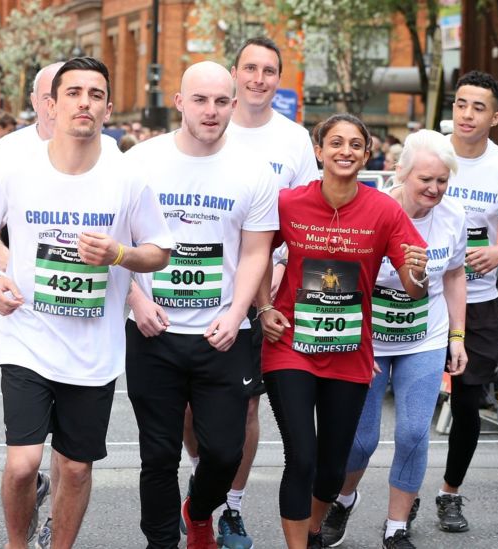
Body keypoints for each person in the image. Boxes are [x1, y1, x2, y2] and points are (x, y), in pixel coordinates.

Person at [0, 56, 172, 549]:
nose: (85, 102)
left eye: (96, 94)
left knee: (77, 468)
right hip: (27, 335)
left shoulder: (127, 177)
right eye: (74, 93)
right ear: (52, 105)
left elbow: (160, 251)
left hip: (92, 349)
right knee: (22, 465)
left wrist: (118, 254)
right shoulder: (18, 168)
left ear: (106, 109)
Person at [172, 37, 321, 549]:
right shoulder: (208, 123)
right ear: (232, 77)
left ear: (278, 78)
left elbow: (311, 212)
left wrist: (283, 266)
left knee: (248, 407)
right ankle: (204, 486)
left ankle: (230, 508)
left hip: (271, 288)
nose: (260, 78)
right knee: (193, 410)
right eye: (250, 69)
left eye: (270, 70)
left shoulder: (295, 139)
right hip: (203, 289)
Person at [256, 113, 428, 549]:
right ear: (319, 151)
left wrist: (417, 273)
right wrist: (262, 307)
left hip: (350, 351)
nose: (345, 151)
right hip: (291, 345)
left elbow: (413, 283)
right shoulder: (290, 203)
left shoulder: (384, 209)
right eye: (335, 143)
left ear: (367, 155)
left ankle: (313, 532)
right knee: (302, 455)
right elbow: (256, 252)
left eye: (355, 145)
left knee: (332, 467)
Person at [124, 61, 277, 549]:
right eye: (200, 100)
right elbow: (115, 242)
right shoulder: (140, 161)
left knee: (224, 451)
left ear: (233, 104)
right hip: (153, 330)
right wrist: (134, 300)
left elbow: (256, 251)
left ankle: (199, 507)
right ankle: (163, 541)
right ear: (179, 102)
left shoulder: (253, 171)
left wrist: (236, 315)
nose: (210, 111)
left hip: (223, 333)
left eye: (220, 101)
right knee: (158, 454)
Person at [320, 129, 469, 549]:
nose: (435, 189)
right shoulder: (372, 211)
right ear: (400, 173)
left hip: (424, 336)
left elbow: (455, 275)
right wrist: (353, 337)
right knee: (361, 440)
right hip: (369, 340)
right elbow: (340, 278)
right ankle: (344, 500)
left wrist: (457, 336)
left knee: (413, 433)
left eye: (442, 180)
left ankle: (396, 526)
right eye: (426, 180)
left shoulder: (454, 216)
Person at [436, 70, 498, 533]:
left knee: (469, 404)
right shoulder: (426, 149)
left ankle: (450, 493)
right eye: (460, 103)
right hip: (418, 298)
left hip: (477, 301)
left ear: (494, 117)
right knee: (403, 410)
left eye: (478, 107)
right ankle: (379, 498)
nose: (466, 114)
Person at [0, 62, 120, 156]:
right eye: (48, 98)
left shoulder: (109, 152)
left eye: (71, 96)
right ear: (34, 102)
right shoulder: (6, 151)